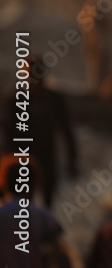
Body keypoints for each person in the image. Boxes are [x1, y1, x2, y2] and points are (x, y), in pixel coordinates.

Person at [2, 56, 78, 209]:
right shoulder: (15, 99)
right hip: (19, 157)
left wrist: (72, 159)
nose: (34, 79)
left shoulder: (54, 99)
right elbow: (6, 131)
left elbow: (66, 130)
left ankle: (42, 228)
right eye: (30, 74)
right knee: (17, 202)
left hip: (46, 155)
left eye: (38, 74)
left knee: (47, 202)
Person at [0, 157, 72, 268]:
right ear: (33, 184)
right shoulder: (42, 215)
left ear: (5, 183)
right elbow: (61, 254)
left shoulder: (2, 213)